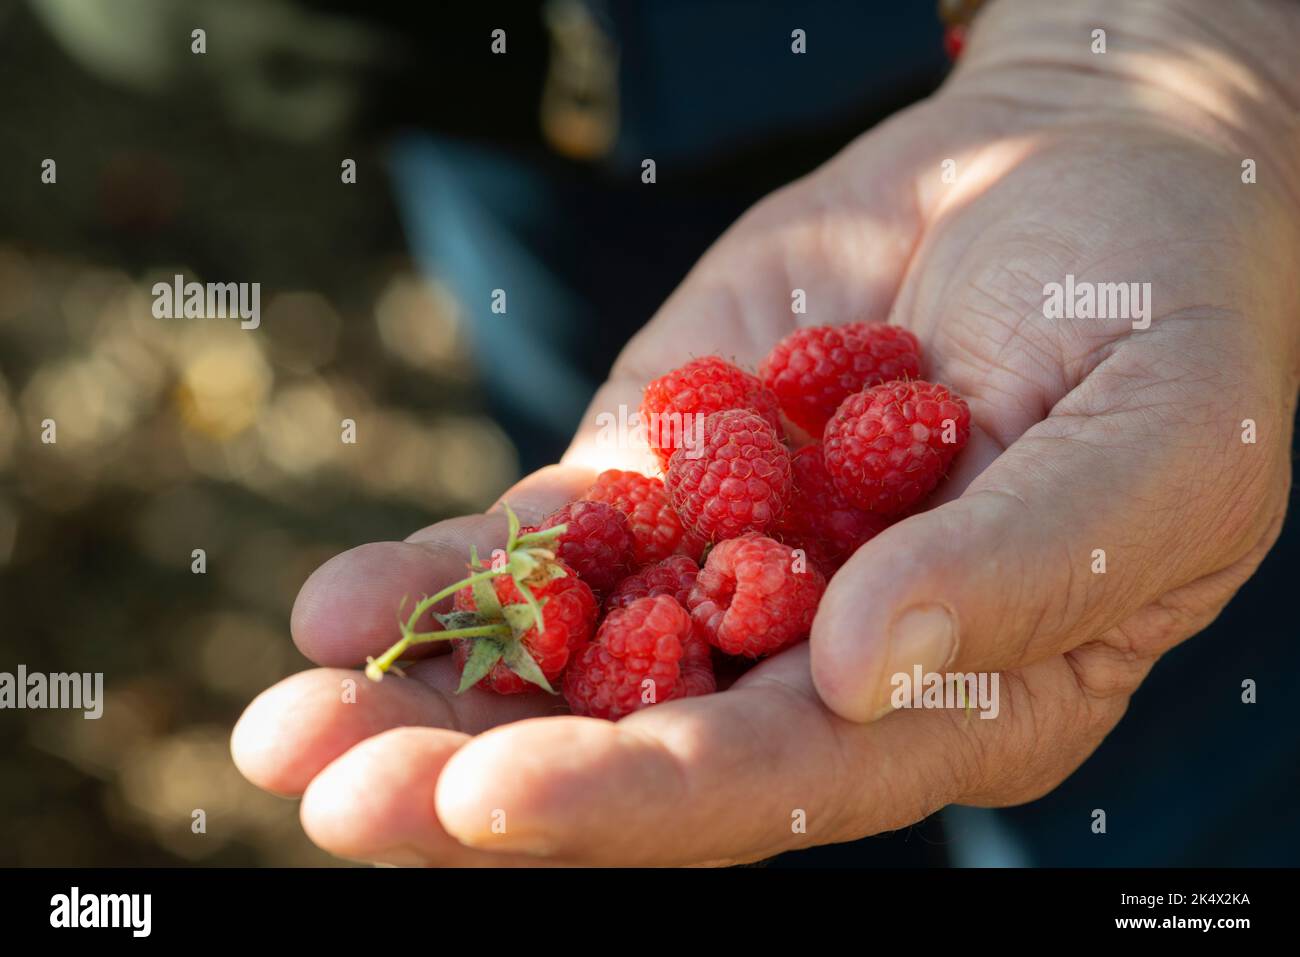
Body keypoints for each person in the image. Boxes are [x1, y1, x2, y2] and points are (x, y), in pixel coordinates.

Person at [231, 0, 1300, 866]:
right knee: (764, 794)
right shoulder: (670, 527)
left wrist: (1195, 49)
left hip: (911, 53)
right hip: (490, 92)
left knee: (1169, 772)